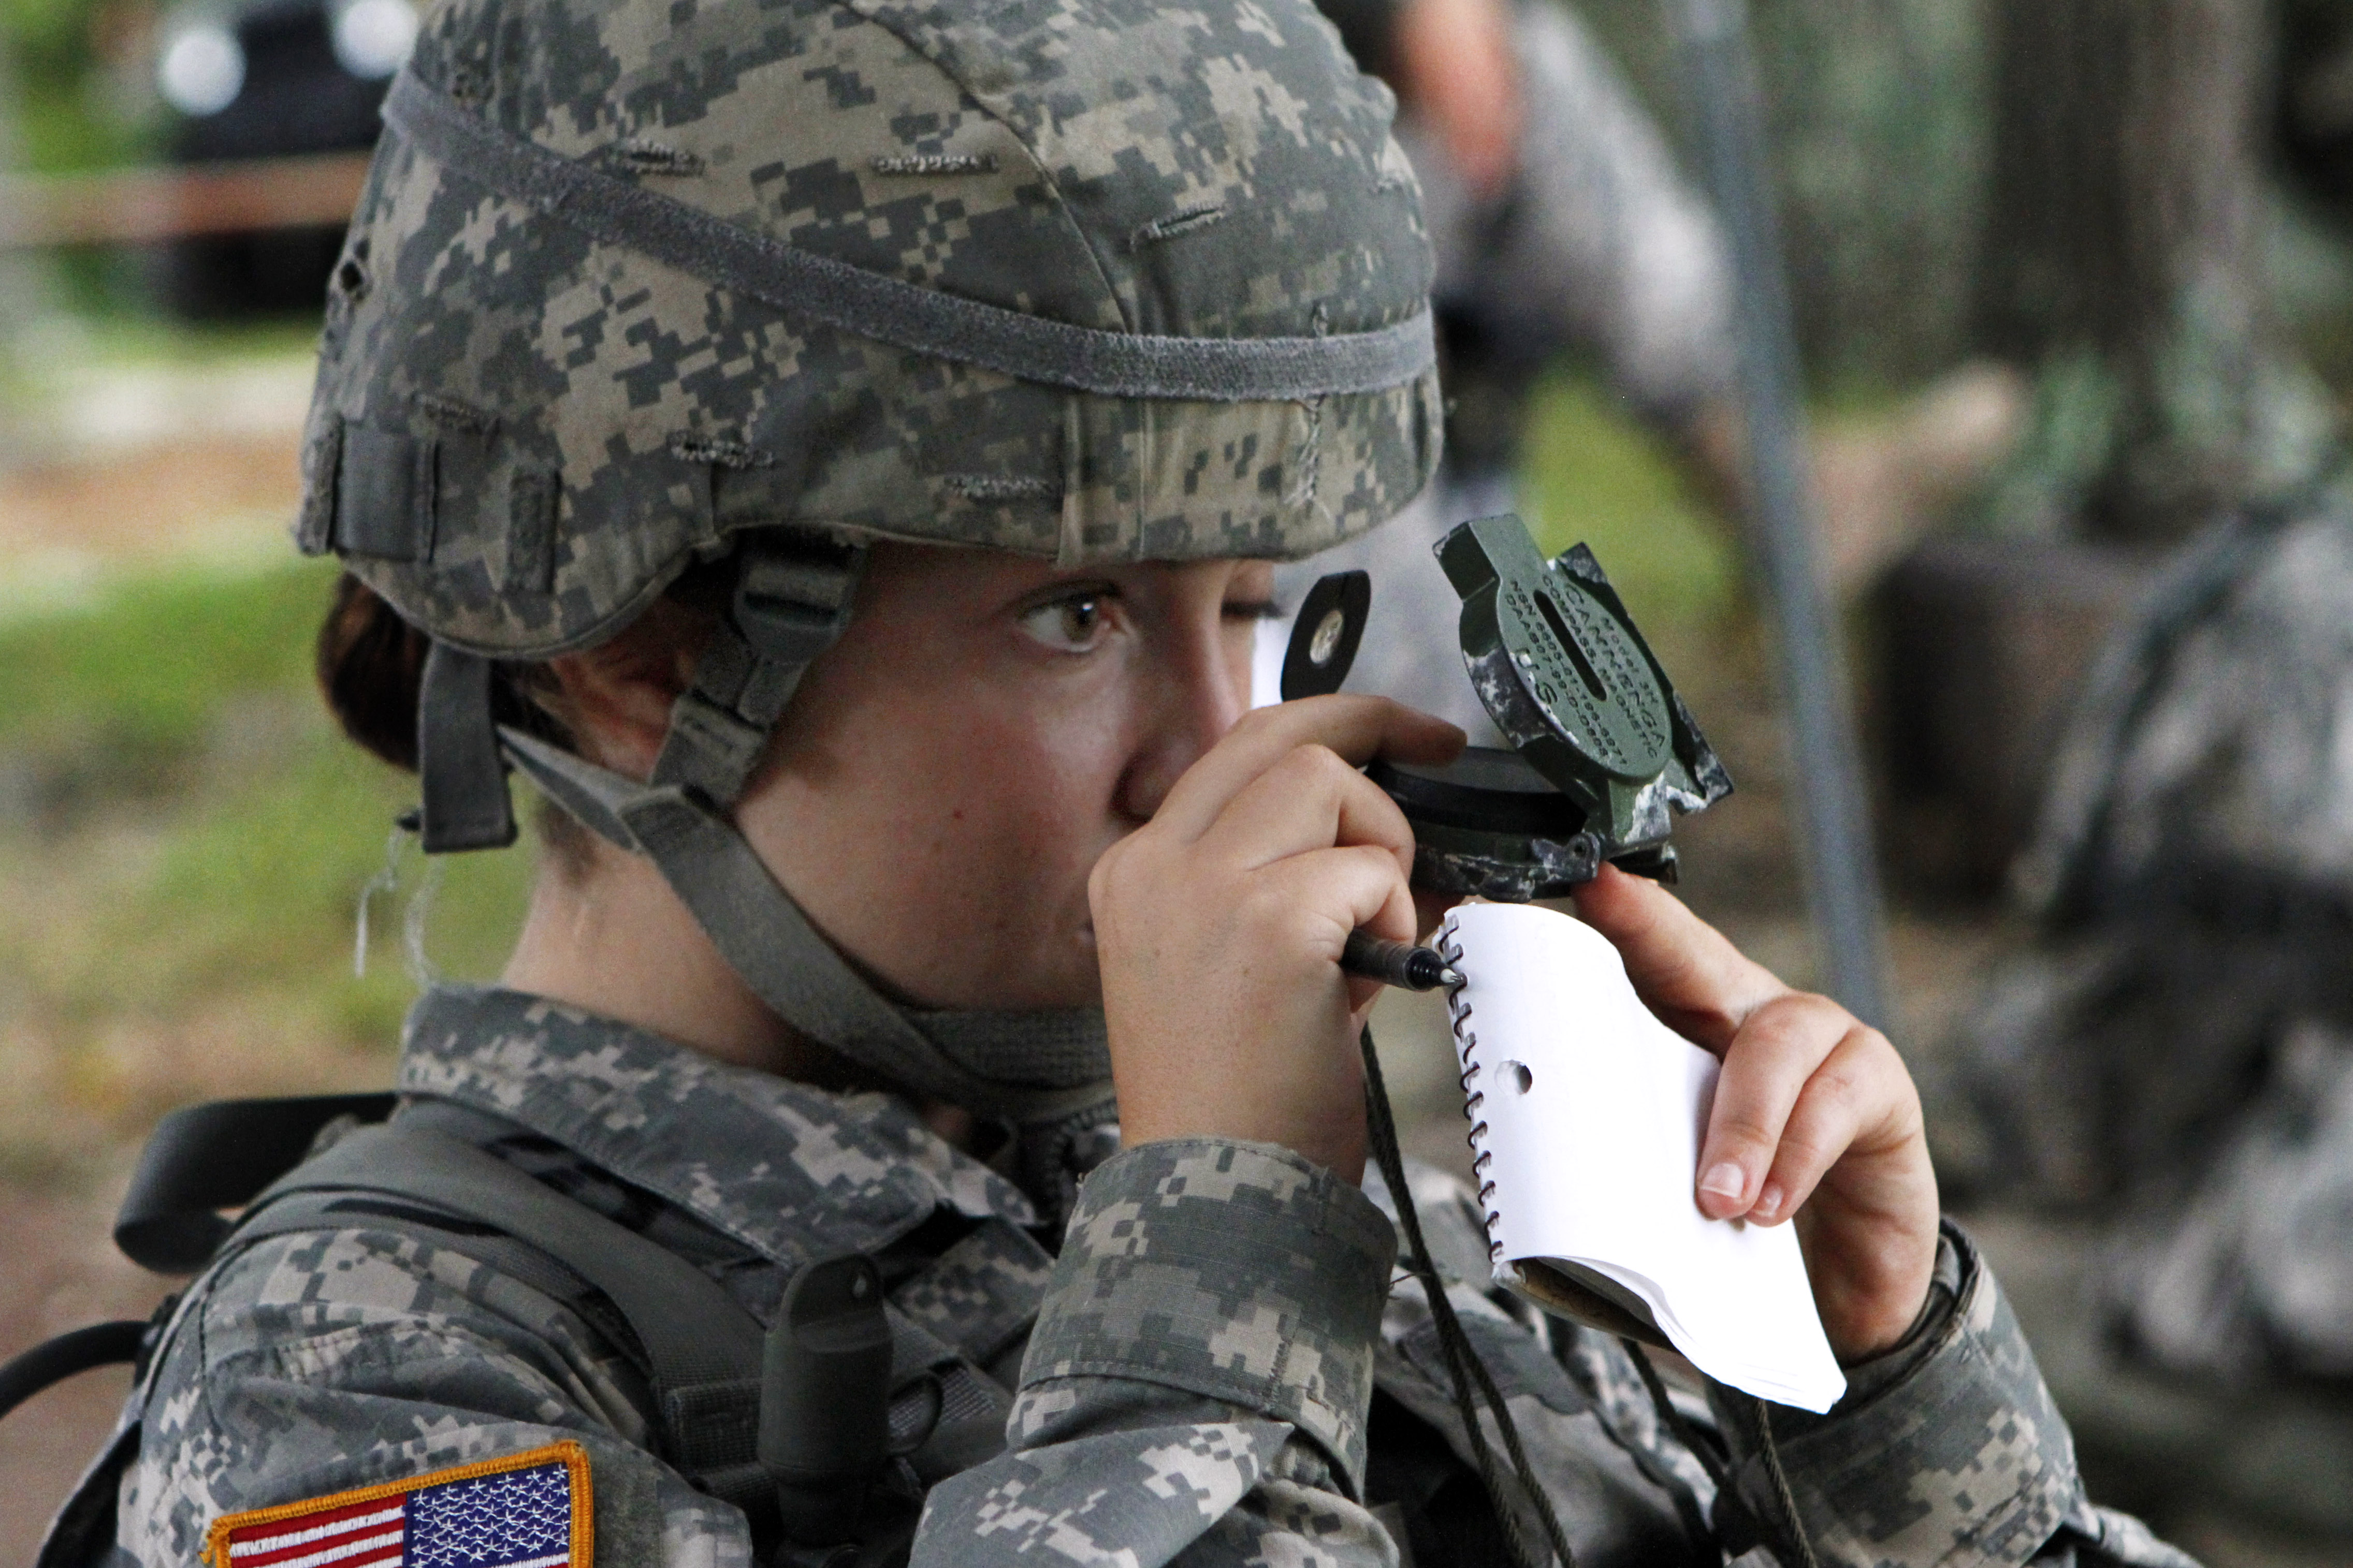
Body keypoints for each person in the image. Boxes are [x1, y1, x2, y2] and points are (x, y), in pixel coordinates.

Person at [54, 0, 2191, 1563]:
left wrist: (1884, 1388)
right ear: (635, 656)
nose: (1218, 743)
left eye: (1249, 603)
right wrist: (1215, 1287)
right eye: (1073, 613)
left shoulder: (1352, 1224)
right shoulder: (370, 1405)